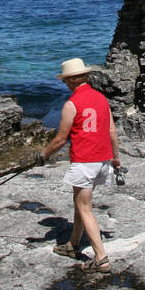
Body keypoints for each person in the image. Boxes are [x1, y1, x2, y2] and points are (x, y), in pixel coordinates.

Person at [38, 57, 122, 272]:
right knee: (81, 203)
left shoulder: (71, 104)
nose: (65, 84)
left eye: (66, 80)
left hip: (85, 161)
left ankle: (101, 258)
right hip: (103, 159)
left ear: (71, 81)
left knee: (85, 208)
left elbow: (60, 139)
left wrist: (44, 155)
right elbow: (112, 131)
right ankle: (73, 245)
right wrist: (116, 157)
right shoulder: (102, 99)